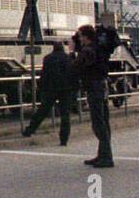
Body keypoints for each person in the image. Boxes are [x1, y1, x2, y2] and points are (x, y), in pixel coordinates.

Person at [72, 24, 114, 168]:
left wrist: (72, 53)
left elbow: (77, 67)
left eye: (80, 36)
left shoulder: (89, 50)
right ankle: (103, 154)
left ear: (85, 36)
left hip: (94, 87)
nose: (78, 38)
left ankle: (107, 157)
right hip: (102, 86)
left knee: (98, 123)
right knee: (104, 121)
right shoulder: (98, 48)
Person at [21, 41, 73, 145]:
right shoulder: (67, 58)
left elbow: (44, 75)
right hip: (64, 90)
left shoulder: (48, 58)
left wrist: (41, 88)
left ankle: (29, 130)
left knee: (42, 111)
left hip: (51, 89)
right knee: (65, 115)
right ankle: (64, 139)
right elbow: (71, 74)